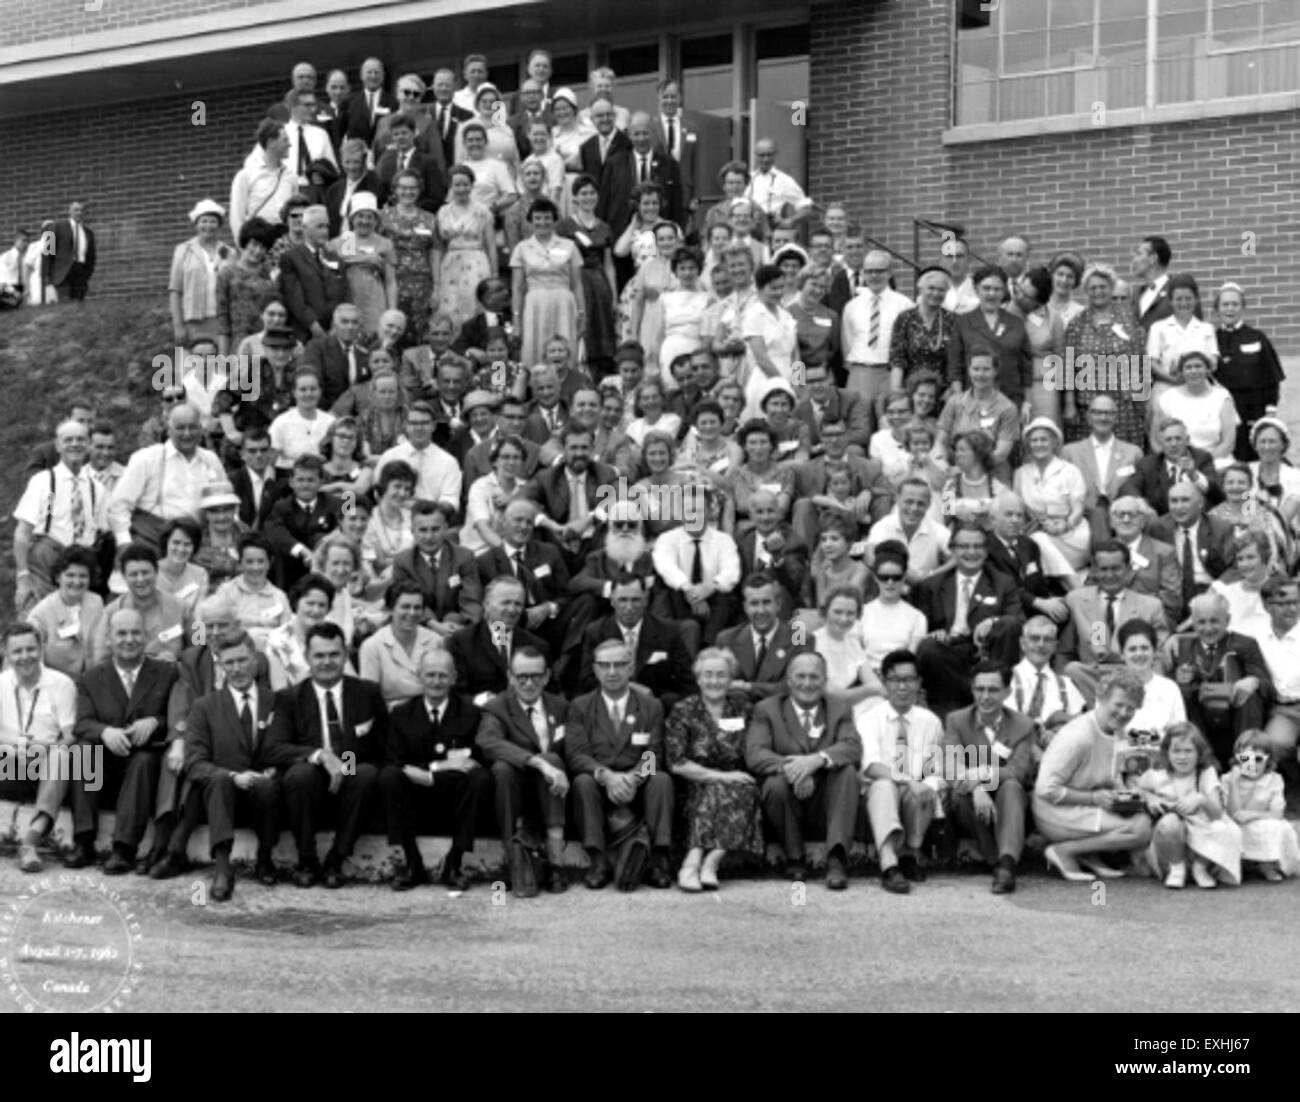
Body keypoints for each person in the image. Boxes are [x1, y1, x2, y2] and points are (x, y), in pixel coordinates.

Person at [262, 622, 385, 889]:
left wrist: (344, 762)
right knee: (301, 775)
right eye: (319, 655)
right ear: (307, 657)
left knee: (364, 774)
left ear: (345, 655)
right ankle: (307, 860)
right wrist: (319, 755)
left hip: (350, 764)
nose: (327, 662)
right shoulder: (289, 698)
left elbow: (381, 744)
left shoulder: (367, 692)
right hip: (312, 770)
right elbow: (272, 748)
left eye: (333, 654)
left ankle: (335, 860)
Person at [160, 631, 280, 899]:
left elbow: (283, 748)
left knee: (269, 786)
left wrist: (270, 770)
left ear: (256, 661)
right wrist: (232, 776)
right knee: (219, 780)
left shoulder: (275, 702)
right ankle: (223, 869)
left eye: (242, 660)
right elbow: (194, 762)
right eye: (229, 663)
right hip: (219, 795)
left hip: (262, 795)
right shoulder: (205, 706)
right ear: (221, 666)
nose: (236, 669)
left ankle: (265, 858)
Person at [65, 609, 180, 873]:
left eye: (135, 633)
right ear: (108, 638)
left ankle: (123, 850)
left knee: (143, 760)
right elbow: (82, 723)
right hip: (104, 767)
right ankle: (83, 842)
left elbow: (178, 715)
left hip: (145, 768)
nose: (129, 639)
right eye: (122, 633)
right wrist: (104, 731)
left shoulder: (167, 672)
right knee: (83, 751)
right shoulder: (92, 677)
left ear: (146, 636)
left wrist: (155, 722)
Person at [565, 639, 674, 891]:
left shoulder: (651, 705)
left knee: (661, 779)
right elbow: (577, 754)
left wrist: (633, 778)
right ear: (594, 669)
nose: (612, 672)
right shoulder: (580, 706)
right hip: (600, 784)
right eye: (605, 665)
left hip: (638, 785)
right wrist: (608, 777)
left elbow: (653, 752)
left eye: (619, 665)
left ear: (631, 668)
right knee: (582, 781)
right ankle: (597, 860)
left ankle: (659, 859)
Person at [377, 648, 488, 891]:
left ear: (453, 678)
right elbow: (394, 761)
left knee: (479, 778)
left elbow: (474, 760)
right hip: (414, 798)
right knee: (389, 777)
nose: (436, 682)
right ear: (419, 676)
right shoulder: (402, 713)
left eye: (442, 675)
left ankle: (454, 863)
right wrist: (438, 768)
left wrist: (428, 774)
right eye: (430, 675)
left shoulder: (471, 713)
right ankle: (411, 863)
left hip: (455, 797)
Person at [1033, 668, 1155, 881]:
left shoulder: (1117, 730)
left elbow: (1113, 776)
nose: (1124, 713)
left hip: (1086, 804)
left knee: (1143, 812)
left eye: (1131, 708)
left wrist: (1132, 798)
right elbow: (1045, 789)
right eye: (1119, 705)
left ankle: (1087, 854)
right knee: (1141, 829)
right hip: (1055, 811)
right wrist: (1094, 798)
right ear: (1101, 698)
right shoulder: (1078, 736)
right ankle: (1064, 851)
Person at [664, 648, 762, 892]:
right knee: (721, 786)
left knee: (744, 787)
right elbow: (676, 762)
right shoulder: (683, 710)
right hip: (692, 784)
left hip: (736, 785)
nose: (714, 681)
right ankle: (695, 859)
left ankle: (709, 861)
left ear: (731, 679)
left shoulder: (744, 709)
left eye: (721, 675)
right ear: (698, 679)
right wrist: (722, 776)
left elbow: (754, 750)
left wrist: (730, 778)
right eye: (708, 675)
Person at [477, 646, 571, 895]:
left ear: (547, 676)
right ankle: (514, 861)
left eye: (536, 676)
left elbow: (573, 748)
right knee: (502, 768)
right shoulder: (497, 707)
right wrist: (537, 762)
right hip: (514, 790)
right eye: (522, 677)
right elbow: (489, 741)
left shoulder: (561, 707)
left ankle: (556, 865)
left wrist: (553, 765)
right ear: (510, 676)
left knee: (553, 757)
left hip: (555, 791)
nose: (529, 683)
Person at [940, 661, 1035, 893]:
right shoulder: (957, 720)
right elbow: (952, 766)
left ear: (1007, 692)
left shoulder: (1023, 725)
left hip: (1007, 800)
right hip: (968, 802)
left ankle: (1006, 866)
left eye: (993, 690)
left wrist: (982, 774)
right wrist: (977, 789)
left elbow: (1018, 771)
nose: (985, 696)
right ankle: (998, 857)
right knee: (960, 794)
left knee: (1012, 786)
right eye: (979, 689)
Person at [912, 523, 1023, 718]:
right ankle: (955, 711)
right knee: (928, 646)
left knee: (1008, 625)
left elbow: (1017, 619)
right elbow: (918, 627)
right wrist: (933, 634)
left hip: (985, 654)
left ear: (987, 551)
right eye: (964, 546)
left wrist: (994, 621)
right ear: (952, 550)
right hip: (947, 658)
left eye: (977, 546)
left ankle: (991, 697)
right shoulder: (931, 585)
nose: (971, 552)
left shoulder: (1003, 582)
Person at [857, 648, 943, 893]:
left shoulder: (931, 721)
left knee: (925, 786)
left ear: (919, 683)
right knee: (885, 785)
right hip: (877, 796)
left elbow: (936, 768)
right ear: (884, 682)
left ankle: (910, 854)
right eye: (895, 680)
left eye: (909, 680)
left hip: (914, 797)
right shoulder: (869, 719)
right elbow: (872, 766)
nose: (902, 687)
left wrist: (929, 785)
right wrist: (908, 780)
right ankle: (889, 863)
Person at [0, 624, 77, 873]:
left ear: (42, 648)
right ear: (6, 653)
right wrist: (8, 749)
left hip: (47, 763)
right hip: (7, 762)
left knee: (63, 754)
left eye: (31, 649)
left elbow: (71, 737)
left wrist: (44, 750)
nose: (25, 657)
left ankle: (30, 841)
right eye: (17, 651)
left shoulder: (62, 684)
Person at [12, 417, 109, 612]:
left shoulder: (96, 488)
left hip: (80, 567)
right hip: (46, 563)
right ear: (58, 446)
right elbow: (22, 534)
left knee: (74, 624)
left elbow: (101, 532)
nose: (75, 444)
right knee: (37, 621)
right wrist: (23, 577)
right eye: (68, 440)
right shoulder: (45, 483)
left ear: (89, 445)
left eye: (81, 440)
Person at [1169, 591, 1271, 769]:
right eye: (1201, 622)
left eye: (1214, 621)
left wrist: (1254, 681)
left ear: (1228, 620)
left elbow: (1268, 687)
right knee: (1185, 696)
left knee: (1251, 697)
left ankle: (1247, 765)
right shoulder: (1182, 647)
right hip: (1202, 722)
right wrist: (1181, 683)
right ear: (1193, 622)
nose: (1208, 628)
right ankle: (1204, 764)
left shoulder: (1246, 644)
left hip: (1237, 719)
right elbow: (1170, 692)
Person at [1134, 723, 1241, 889]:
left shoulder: (1205, 773)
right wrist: (1150, 797)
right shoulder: (1159, 775)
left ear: (1199, 753)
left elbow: (1217, 813)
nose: (1182, 757)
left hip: (1202, 846)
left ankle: (1200, 868)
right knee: (1170, 822)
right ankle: (1176, 869)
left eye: (1188, 751)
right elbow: (1135, 787)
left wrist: (1202, 799)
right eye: (1176, 751)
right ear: (1167, 753)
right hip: (1170, 846)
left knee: (1223, 826)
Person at [1062, 540, 1168, 703]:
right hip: (1092, 676)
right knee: (1072, 669)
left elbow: (1159, 654)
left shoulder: (1150, 605)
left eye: (1116, 568)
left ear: (1128, 569)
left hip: (1133, 675)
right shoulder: (1076, 600)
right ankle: (1104, 709)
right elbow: (1064, 651)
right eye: (1103, 569)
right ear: (1094, 570)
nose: (1110, 575)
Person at [108, 403, 225, 549]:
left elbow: (225, 504)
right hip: (152, 540)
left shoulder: (211, 460)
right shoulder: (147, 458)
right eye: (180, 428)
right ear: (169, 430)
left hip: (196, 543)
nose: (187, 434)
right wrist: (124, 542)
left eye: (192, 427)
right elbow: (119, 505)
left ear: (201, 429)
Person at [576, 574, 695, 713]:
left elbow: (688, 681)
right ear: (612, 600)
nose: (629, 607)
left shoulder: (668, 631)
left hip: (655, 706)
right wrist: (629, 689)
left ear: (646, 599)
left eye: (635, 600)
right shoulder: (596, 632)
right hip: (611, 702)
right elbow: (587, 681)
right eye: (623, 600)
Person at [1061, 264, 1146, 446]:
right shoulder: (1077, 323)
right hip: (1089, 404)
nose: (1098, 291)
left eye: (1102, 287)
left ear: (1111, 288)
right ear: (1086, 291)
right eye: (1093, 288)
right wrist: (1069, 405)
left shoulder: (1129, 320)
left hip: (1124, 404)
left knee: (1125, 455)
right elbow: (1067, 366)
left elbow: (1140, 362)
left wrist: (1141, 403)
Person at [651, 484, 742, 644]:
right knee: (672, 588)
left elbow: (731, 571)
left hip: (715, 602)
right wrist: (690, 590)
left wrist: (709, 587)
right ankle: (688, 645)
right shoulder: (667, 539)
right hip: (680, 601)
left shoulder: (724, 540)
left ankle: (709, 645)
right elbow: (665, 566)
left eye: (699, 510)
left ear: (710, 511)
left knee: (723, 592)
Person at [388, 501, 484, 638]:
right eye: (423, 530)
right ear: (412, 531)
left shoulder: (465, 557)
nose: (429, 536)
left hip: (457, 626)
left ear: (445, 528)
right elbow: (405, 603)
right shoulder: (402, 562)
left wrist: (465, 629)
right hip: (419, 626)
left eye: (435, 529)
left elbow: (471, 600)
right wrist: (434, 625)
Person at [1213, 282, 1286, 461]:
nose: (1230, 309)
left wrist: (1270, 411)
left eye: (1235, 304)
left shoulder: (1257, 337)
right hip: (1222, 411)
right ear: (1217, 308)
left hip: (1253, 409)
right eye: (1225, 304)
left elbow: (1271, 378)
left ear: (1243, 307)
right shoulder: (1211, 339)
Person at [446, 576, 550, 699]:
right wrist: (479, 700)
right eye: (505, 602)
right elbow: (454, 694)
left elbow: (549, 694)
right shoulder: (461, 642)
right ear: (486, 604)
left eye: (518, 604)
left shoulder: (538, 646)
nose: (512, 610)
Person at [556, 174, 618, 377]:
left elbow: (609, 264)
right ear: (574, 198)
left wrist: (614, 296)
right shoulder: (565, 226)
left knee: (603, 331)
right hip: (576, 281)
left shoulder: (604, 226)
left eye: (592, 192)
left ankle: (601, 376)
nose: (588, 197)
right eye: (583, 193)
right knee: (582, 328)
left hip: (599, 283)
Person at [510, 197, 583, 368]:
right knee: (534, 346)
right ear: (531, 220)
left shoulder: (569, 246)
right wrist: (516, 319)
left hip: (563, 302)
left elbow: (577, 284)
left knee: (564, 344)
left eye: (547, 218)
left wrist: (582, 314)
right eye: (538, 218)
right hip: (535, 302)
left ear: (554, 219)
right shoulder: (522, 248)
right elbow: (517, 287)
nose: (543, 223)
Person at [1222, 727, 1300, 881]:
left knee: (1279, 826)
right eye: (1246, 758)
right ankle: (1240, 862)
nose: (1252, 764)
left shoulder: (1274, 779)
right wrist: (1234, 784)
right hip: (1236, 824)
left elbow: (1277, 813)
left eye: (1258, 759)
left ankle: (1267, 863)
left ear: (1268, 760)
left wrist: (1252, 815)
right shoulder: (1228, 779)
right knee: (1228, 828)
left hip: (1261, 821)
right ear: (1238, 758)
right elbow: (1234, 814)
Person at [1015, 418, 1090, 570]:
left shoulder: (1070, 471)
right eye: (1034, 440)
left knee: (1037, 541)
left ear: (1055, 443)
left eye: (1044, 440)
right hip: (1037, 530)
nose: (1038, 444)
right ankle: (1071, 583)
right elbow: (1017, 509)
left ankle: (1069, 584)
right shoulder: (1020, 473)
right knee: (1037, 539)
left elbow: (1078, 509)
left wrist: (1066, 524)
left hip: (1070, 532)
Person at [1146, 272, 1217, 432]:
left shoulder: (1207, 329)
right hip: (1166, 389)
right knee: (1166, 434)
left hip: (1199, 390)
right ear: (1171, 301)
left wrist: (1194, 373)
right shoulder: (1159, 328)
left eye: (1188, 298)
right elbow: (1151, 362)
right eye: (1178, 299)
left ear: (1196, 299)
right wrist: (1173, 379)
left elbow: (1213, 362)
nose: (1183, 303)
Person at [937, 347, 1018, 482]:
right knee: (947, 502)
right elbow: (940, 442)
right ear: (969, 370)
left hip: (993, 475)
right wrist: (941, 463)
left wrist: (967, 468)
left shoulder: (1008, 408)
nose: (980, 374)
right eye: (976, 369)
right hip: (954, 472)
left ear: (995, 371)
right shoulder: (954, 402)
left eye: (986, 369)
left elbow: (1001, 454)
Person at [1118, 418, 1222, 519]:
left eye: (1178, 438)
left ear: (1187, 440)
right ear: (1161, 444)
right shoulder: (1148, 464)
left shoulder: (1202, 458)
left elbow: (1217, 493)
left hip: (1197, 521)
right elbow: (1127, 487)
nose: (1173, 444)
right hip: (1162, 525)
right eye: (1168, 440)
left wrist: (1194, 475)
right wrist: (1140, 503)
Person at [27, 546, 105, 679]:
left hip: (93, 681)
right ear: (58, 577)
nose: (77, 581)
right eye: (70, 575)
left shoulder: (96, 602)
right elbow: (32, 660)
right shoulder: (40, 614)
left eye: (83, 576)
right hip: (55, 684)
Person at [168, 199, 235, 346]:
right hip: (193, 322)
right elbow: (175, 291)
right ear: (196, 224)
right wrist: (178, 325)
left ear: (219, 225)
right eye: (203, 221)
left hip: (222, 322)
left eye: (213, 221)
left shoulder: (230, 253)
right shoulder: (183, 250)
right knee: (191, 367)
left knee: (221, 367)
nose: (208, 226)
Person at [1155, 350, 1238, 462]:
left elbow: (1228, 443)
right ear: (1181, 372)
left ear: (1208, 370)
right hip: (1176, 461)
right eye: (1188, 367)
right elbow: (1156, 441)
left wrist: (1203, 461)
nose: (1193, 371)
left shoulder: (1222, 397)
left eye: (1198, 366)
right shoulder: (1167, 398)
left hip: (1216, 459)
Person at [1119, 619, 1187, 736]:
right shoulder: (1109, 689)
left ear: (1154, 651)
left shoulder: (1169, 688)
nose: (1139, 654)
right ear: (1122, 654)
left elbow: (1180, 734)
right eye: (1132, 649)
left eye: (1144, 648)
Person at [154, 518, 208, 619]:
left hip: (188, 632)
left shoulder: (200, 574)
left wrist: (199, 635)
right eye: (176, 543)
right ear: (166, 543)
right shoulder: (150, 572)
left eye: (187, 544)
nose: (181, 549)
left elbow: (199, 617)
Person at [43, 200, 96, 302]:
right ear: (69, 211)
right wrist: (47, 274)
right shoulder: (56, 226)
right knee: (64, 307)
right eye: (76, 210)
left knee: (79, 306)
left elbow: (91, 257)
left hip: (80, 274)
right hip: (62, 274)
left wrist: (86, 275)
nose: (79, 213)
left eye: (82, 210)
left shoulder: (89, 233)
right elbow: (47, 251)